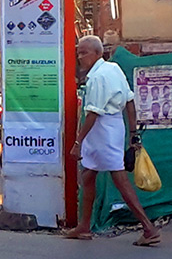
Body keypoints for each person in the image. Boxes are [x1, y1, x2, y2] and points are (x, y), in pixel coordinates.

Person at [64, 35, 161, 246]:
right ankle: (84, 226)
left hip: (101, 131)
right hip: (112, 127)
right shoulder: (114, 69)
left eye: (84, 52)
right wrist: (133, 131)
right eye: (78, 53)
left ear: (98, 54)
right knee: (88, 175)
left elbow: (93, 113)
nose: (80, 57)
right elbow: (129, 101)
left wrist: (78, 142)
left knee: (119, 179)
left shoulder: (98, 77)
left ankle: (148, 228)